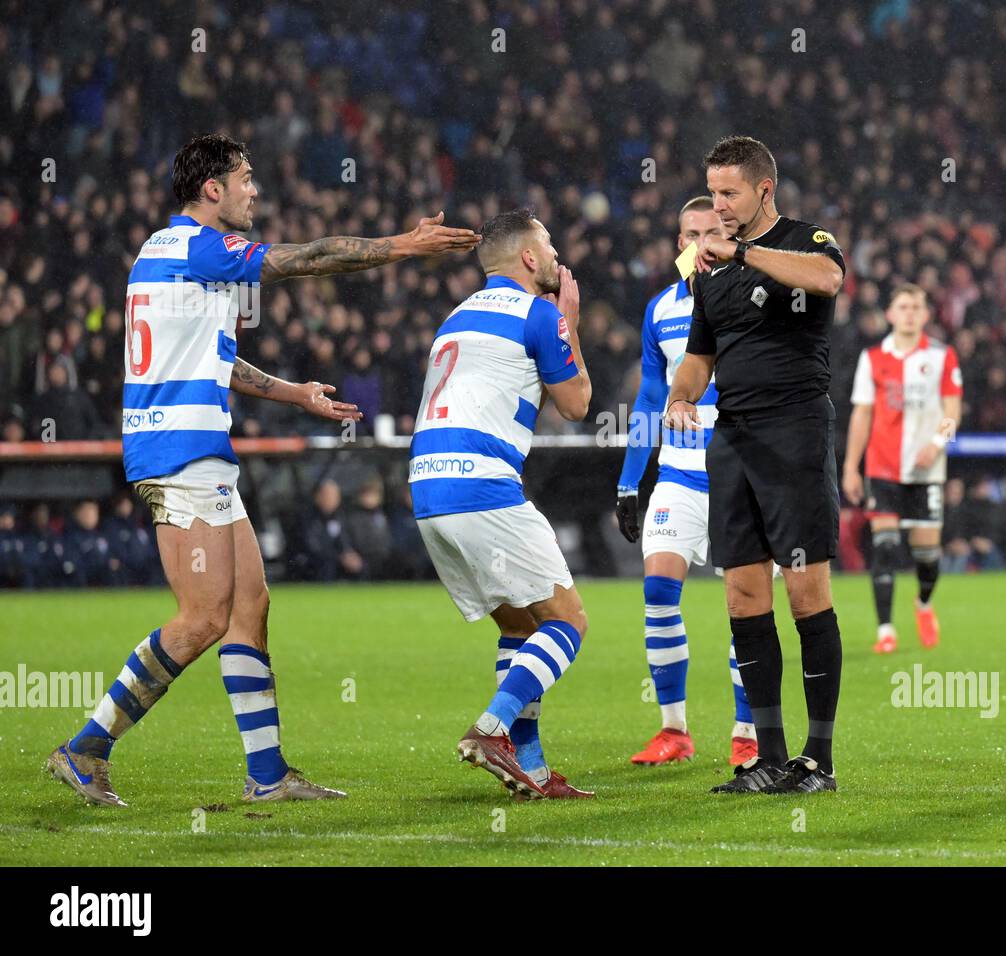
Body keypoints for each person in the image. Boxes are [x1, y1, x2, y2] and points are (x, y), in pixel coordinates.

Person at [46, 133, 480, 807]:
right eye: (245, 178)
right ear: (211, 189)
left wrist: (294, 393)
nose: (256, 190)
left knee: (249, 605)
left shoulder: (174, 255)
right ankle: (86, 747)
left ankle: (267, 773)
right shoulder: (198, 245)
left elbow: (216, 361)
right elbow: (306, 258)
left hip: (196, 448)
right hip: (179, 453)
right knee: (200, 618)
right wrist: (404, 245)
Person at [666, 136, 845, 794]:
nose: (719, 205)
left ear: (764, 190)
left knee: (805, 593)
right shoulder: (707, 273)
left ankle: (818, 760)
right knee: (743, 594)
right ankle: (769, 757)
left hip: (796, 432)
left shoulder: (808, 240)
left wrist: (739, 250)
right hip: (734, 439)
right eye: (713, 193)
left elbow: (828, 280)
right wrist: (681, 396)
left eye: (730, 193)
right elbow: (699, 355)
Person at [409, 208, 594, 800]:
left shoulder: (455, 317)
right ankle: (492, 731)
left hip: (427, 488)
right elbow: (577, 404)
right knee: (567, 621)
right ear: (530, 259)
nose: (558, 255)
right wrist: (569, 322)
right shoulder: (539, 313)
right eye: (549, 243)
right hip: (481, 484)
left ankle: (531, 771)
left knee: (520, 626)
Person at [615, 196, 757, 767]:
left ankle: (747, 733)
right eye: (691, 232)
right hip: (677, 474)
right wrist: (630, 482)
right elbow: (651, 399)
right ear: (680, 242)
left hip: (741, 475)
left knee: (745, 606)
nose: (702, 240)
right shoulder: (659, 311)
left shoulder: (751, 297)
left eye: (713, 229)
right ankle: (674, 730)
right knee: (657, 593)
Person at [842, 284, 962, 653]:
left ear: (925, 315)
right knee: (886, 547)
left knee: (927, 558)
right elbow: (862, 413)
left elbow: (952, 411)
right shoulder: (873, 358)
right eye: (902, 306)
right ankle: (886, 631)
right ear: (890, 314)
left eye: (916, 307)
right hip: (882, 467)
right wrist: (850, 467)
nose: (909, 313)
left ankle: (923, 603)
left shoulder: (943, 356)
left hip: (926, 471)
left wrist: (938, 443)